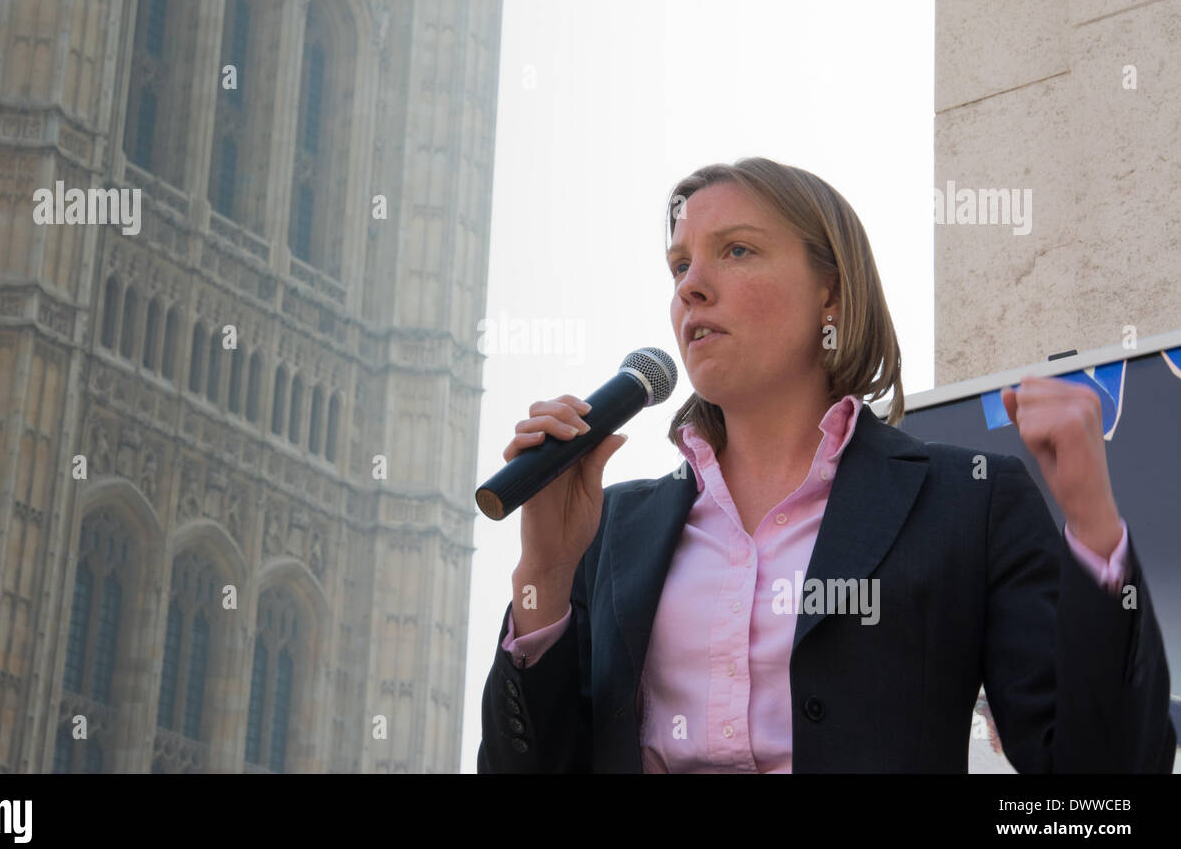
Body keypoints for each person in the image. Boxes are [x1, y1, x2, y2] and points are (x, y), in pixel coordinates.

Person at [476, 156, 1175, 773]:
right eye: (680, 264)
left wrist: (1092, 528)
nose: (691, 285)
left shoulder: (968, 502)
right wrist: (545, 577)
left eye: (738, 251)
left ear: (830, 296)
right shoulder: (611, 528)